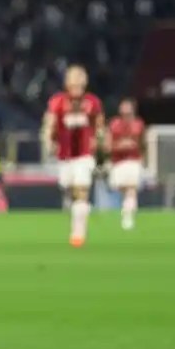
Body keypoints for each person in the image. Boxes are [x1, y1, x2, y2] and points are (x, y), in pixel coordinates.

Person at [42, 65, 104, 247]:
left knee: (81, 189)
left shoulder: (92, 102)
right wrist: (48, 141)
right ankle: (75, 211)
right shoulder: (58, 101)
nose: (76, 85)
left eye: (80, 82)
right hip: (65, 155)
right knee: (69, 190)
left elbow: (99, 124)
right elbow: (50, 122)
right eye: (73, 81)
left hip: (84, 154)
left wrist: (99, 140)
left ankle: (78, 233)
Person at [107, 98, 146, 230]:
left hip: (134, 161)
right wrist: (120, 145)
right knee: (124, 191)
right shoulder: (114, 124)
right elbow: (108, 146)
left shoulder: (139, 124)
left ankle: (128, 217)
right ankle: (127, 211)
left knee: (131, 189)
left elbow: (142, 144)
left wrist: (142, 159)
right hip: (118, 162)